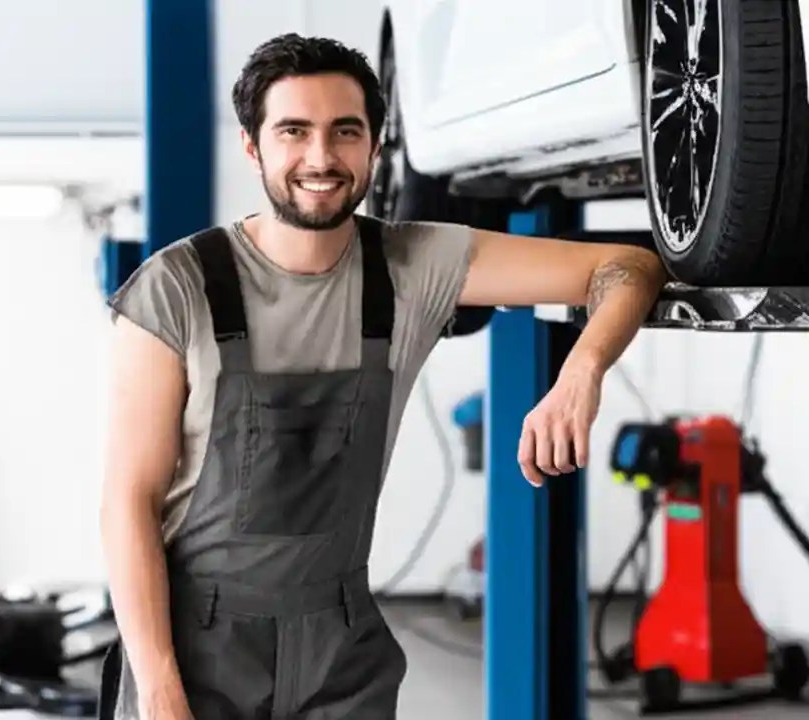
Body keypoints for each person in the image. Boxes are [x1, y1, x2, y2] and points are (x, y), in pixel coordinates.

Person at [98, 33, 666, 720]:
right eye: (293, 132)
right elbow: (128, 504)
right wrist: (159, 690)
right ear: (254, 148)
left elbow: (628, 268)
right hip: (197, 650)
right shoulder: (177, 287)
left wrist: (583, 370)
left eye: (345, 132)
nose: (320, 157)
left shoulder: (412, 267)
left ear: (375, 146)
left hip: (341, 648)